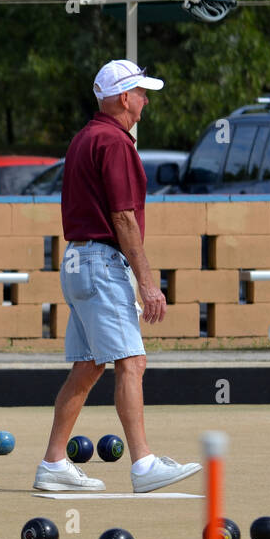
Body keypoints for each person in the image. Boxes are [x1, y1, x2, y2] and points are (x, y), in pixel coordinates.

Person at [34, 60, 201, 494]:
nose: (147, 101)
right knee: (133, 361)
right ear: (124, 97)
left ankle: (53, 463)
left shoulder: (85, 138)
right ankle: (143, 465)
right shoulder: (114, 142)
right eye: (142, 93)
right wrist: (147, 284)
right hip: (100, 263)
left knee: (89, 367)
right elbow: (123, 218)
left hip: (77, 262)